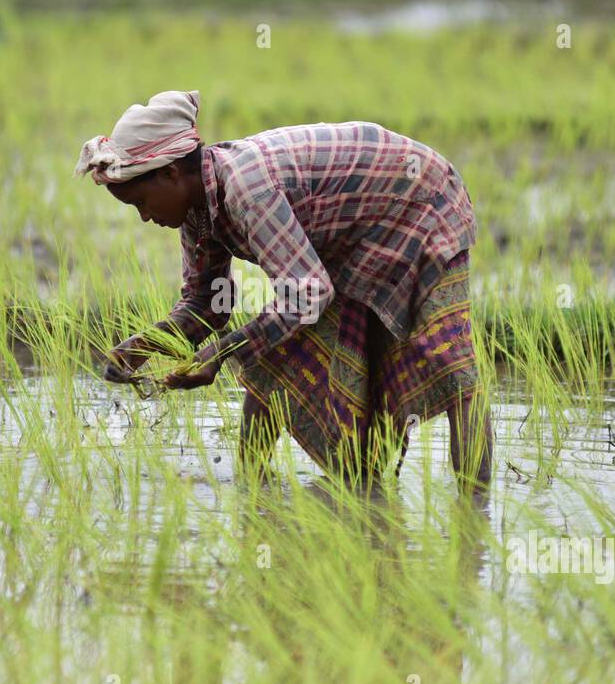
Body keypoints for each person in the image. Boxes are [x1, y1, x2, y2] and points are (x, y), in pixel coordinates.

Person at [75, 89, 492, 495]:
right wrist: (143, 347)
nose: (146, 217)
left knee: (450, 368)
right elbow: (206, 306)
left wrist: (221, 354)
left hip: (420, 202)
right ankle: (251, 493)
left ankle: (476, 513)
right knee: (270, 354)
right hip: (347, 234)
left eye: (142, 203)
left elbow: (307, 294)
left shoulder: (247, 189)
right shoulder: (196, 212)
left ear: (170, 174)